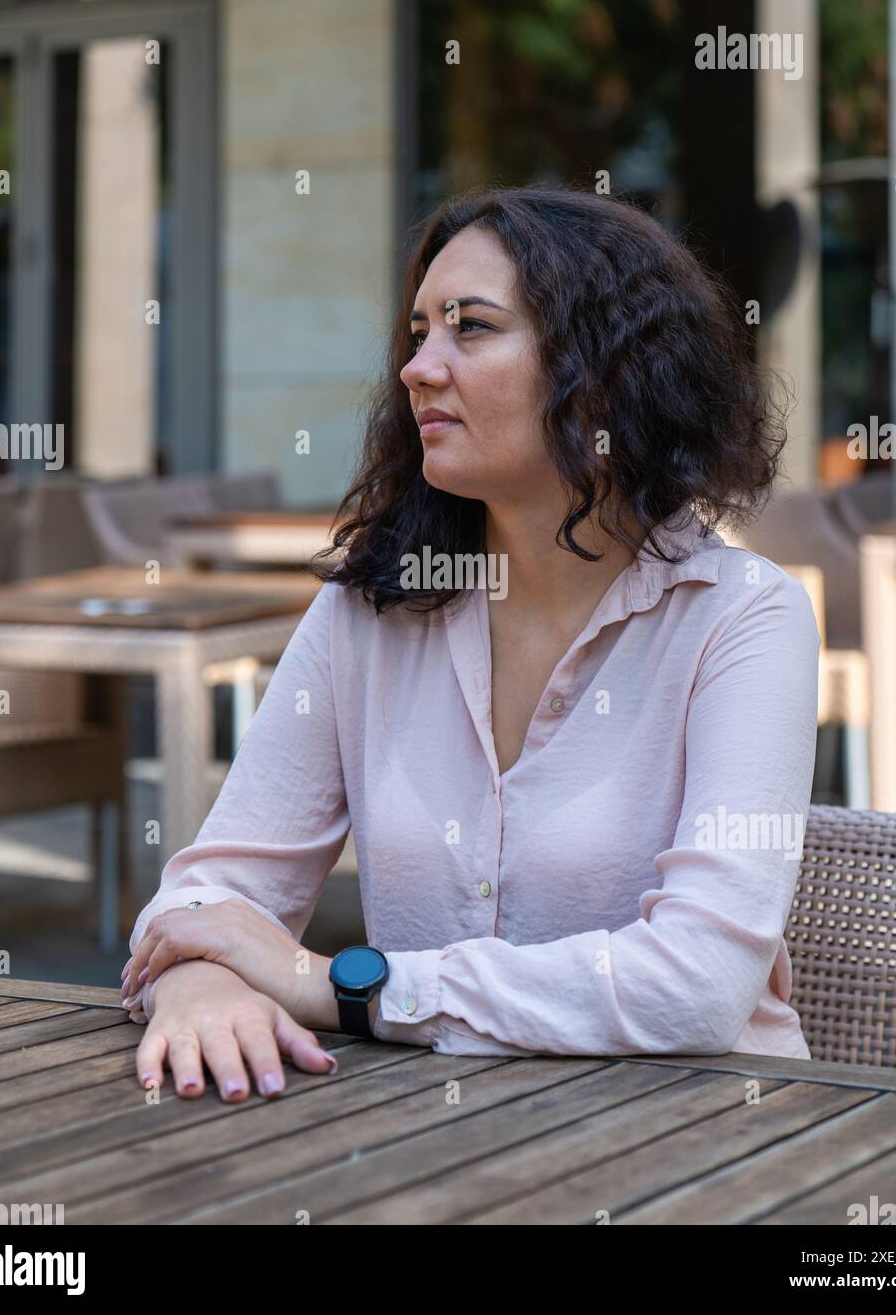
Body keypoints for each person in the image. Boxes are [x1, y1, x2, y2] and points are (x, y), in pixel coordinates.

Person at [121, 185, 819, 1103]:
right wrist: (200, 980)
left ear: (607, 372)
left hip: (711, 1143)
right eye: (417, 334)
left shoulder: (742, 619)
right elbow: (207, 897)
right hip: (435, 1139)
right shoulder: (370, 612)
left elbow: (694, 988)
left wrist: (331, 986)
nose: (418, 367)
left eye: (471, 329)